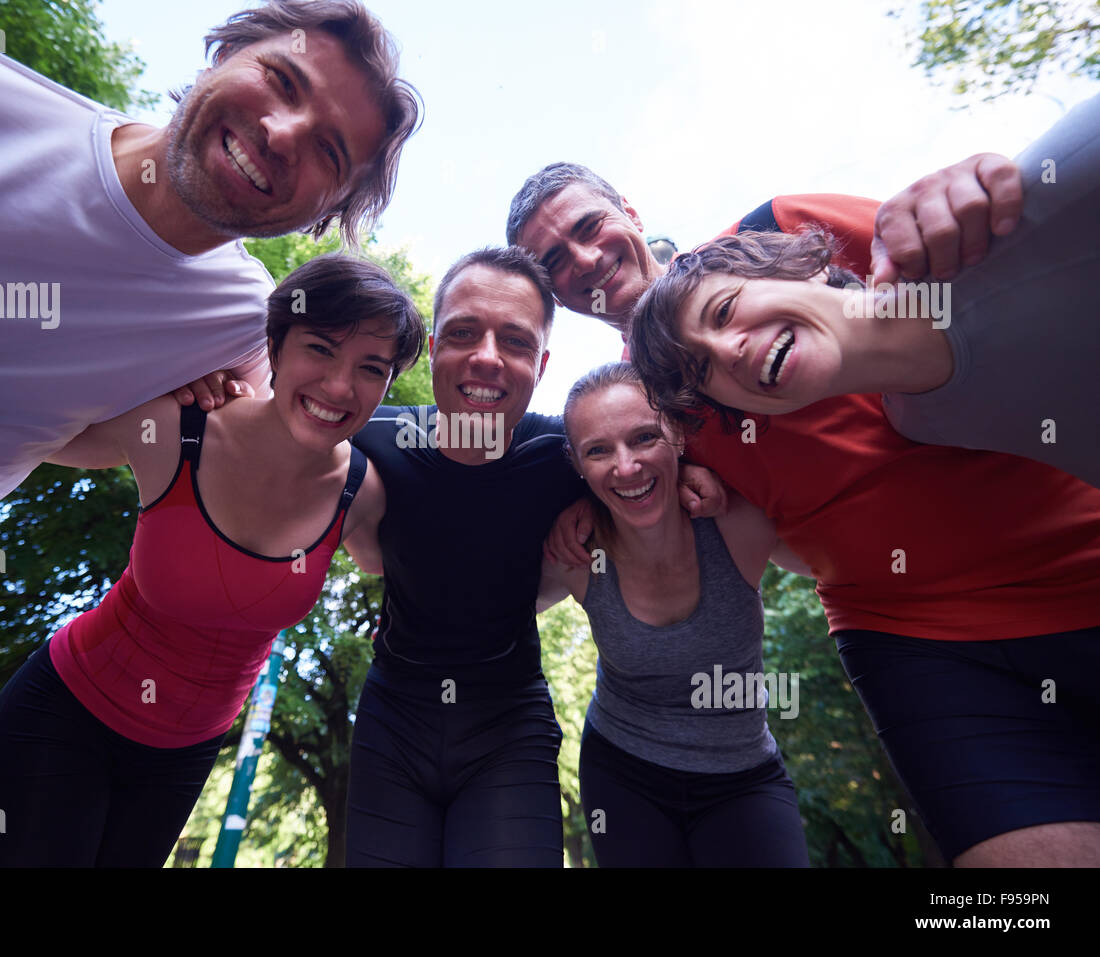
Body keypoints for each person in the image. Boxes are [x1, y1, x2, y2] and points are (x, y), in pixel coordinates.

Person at [0, 0, 420, 817]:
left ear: (326, 212)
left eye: (330, 151)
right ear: (221, 53)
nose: (280, 130)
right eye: (279, 78)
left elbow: (102, 438)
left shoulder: (247, 329)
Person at [524, 160, 1100, 866]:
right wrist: (598, 509)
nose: (584, 259)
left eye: (590, 227)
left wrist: (972, 192)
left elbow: (979, 270)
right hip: (913, 636)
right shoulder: (637, 411)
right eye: (554, 259)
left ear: (631, 212)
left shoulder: (777, 235)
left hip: (1076, 555)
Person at [0, 256, 423, 866]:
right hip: (64, 717)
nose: (338, 386)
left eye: (371, 368)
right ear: (273, 345)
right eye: (320, 349)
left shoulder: (362, 494)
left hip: (183, 758)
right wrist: (161, 372)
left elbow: (419, 562)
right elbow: (33, 423)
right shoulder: (178, 428)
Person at [335, 247, 725, 867]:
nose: (486, 356)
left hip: (508, 721)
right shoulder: (371, 442)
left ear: (540, 365)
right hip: (393, 715)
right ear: (434, 348)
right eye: (464, 332)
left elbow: (645, 460)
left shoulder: (567, 455)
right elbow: (268, 434)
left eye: (514, 341)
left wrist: (687, 481)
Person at [630, 93, 1100, 487]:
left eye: (724, 311)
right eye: (703, 368)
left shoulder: (1040, 195)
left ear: (802, 266)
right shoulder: (922, 424)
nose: (727, 350)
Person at [537, 363, 809, 867]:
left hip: (743, 773)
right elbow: (492, 610)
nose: (625, 466)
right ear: (575, 463)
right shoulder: (575, 554)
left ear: (678, 437)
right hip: (623, 769)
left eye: (644, 438)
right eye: (598, 450)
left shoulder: (736, 523)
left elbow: (841, 562)